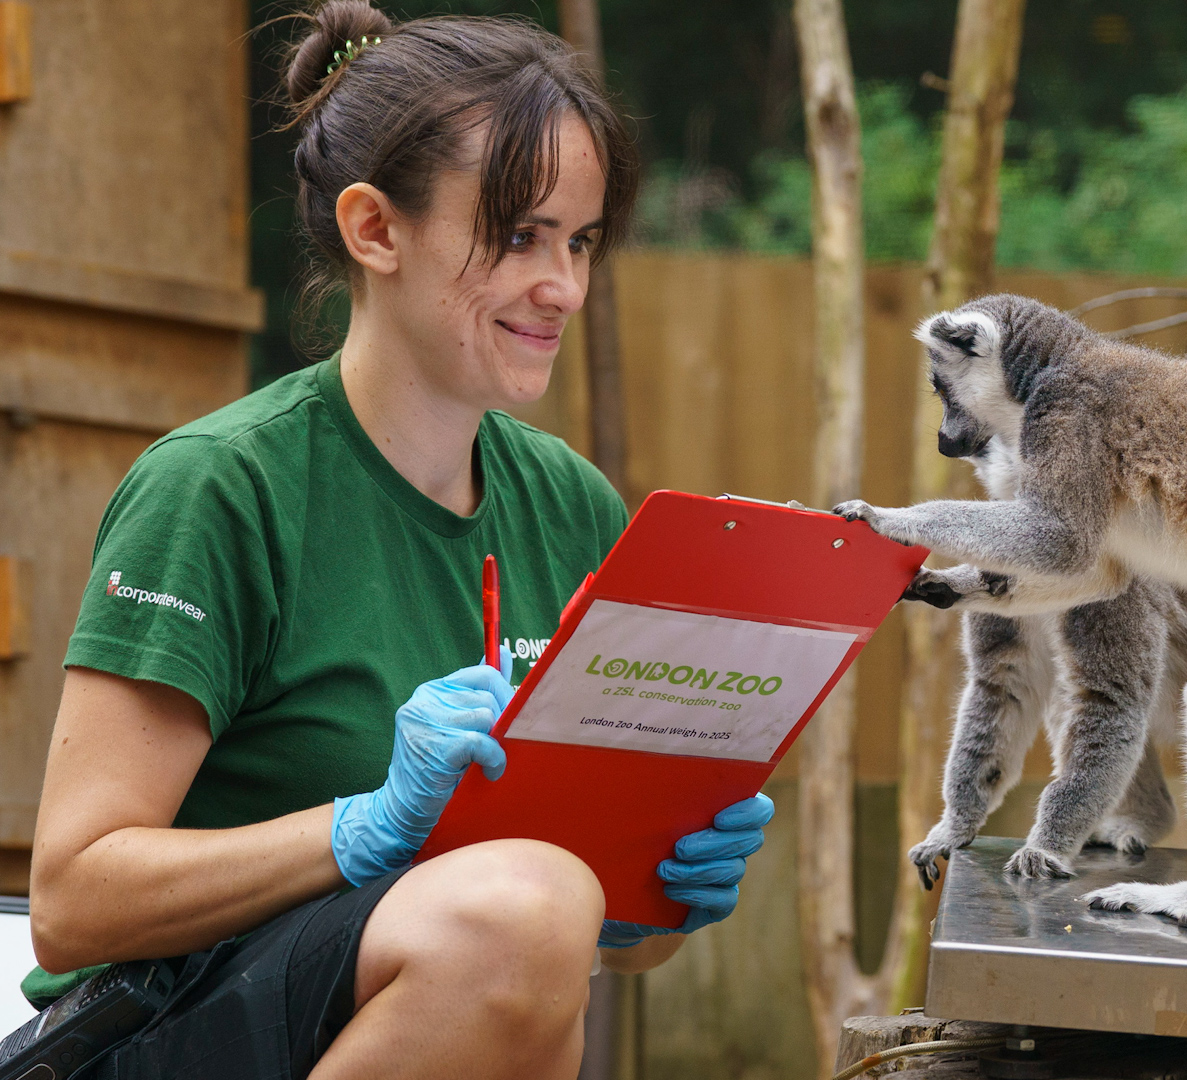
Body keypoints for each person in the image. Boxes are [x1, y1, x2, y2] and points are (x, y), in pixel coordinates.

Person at [21, 5, 767, 1077]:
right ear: (375, 230)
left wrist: (662, 887)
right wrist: (361, 829)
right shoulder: (221, 486)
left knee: (534, 912)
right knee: (516, 911)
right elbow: (72, 903)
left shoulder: (575, 508)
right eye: (518, 234)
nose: (563, 286)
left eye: (581, 238)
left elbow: (591, 945)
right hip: (150, 1029)